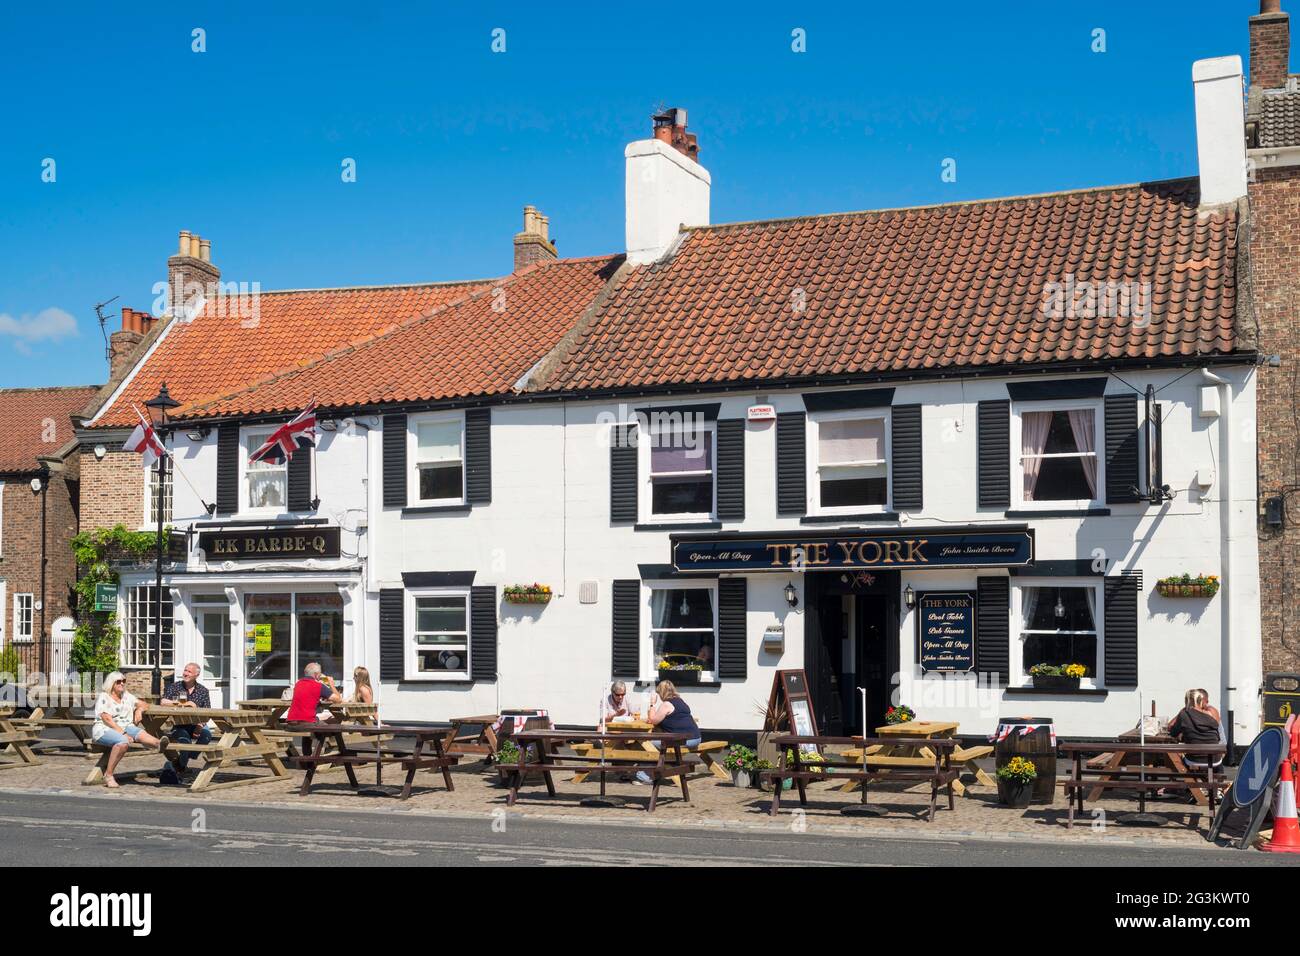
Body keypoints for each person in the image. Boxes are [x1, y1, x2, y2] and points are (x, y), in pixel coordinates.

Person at [92, 672, 168, 789]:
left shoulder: (126, 695)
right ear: (111, 683)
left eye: (123, 681)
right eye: (118, 681)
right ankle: (109, 775)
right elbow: (107, 719)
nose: (122, 683)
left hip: (125, 726)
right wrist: (123, 733)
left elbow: (144, 704)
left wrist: (139, 710)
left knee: (139, 732)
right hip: (105, 728)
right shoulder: (104, 696)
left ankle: (158, 743)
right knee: (123, 742)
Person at [157, 662, 213, 785]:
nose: (185, 673)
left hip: (197, 723)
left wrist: (199, 726)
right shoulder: (175, 687)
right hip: (180, 724)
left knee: (207, 735)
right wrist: (186, 704)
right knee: (185, 740)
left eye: (189, 672)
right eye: (185, 670)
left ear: (196, 675)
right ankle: (181, 768)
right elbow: (163, 702)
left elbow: (207, 711)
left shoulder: (203, 691)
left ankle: (185, 758)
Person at [637, 680, 701, 784]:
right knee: (655, 742)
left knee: (646, 743)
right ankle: (649, 770)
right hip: (696, 737)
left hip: (686, 740)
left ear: (662, 692)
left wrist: (652, 704)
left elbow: (653, 720)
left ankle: (644, 775)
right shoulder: (680, 701)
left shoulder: (667, 704)